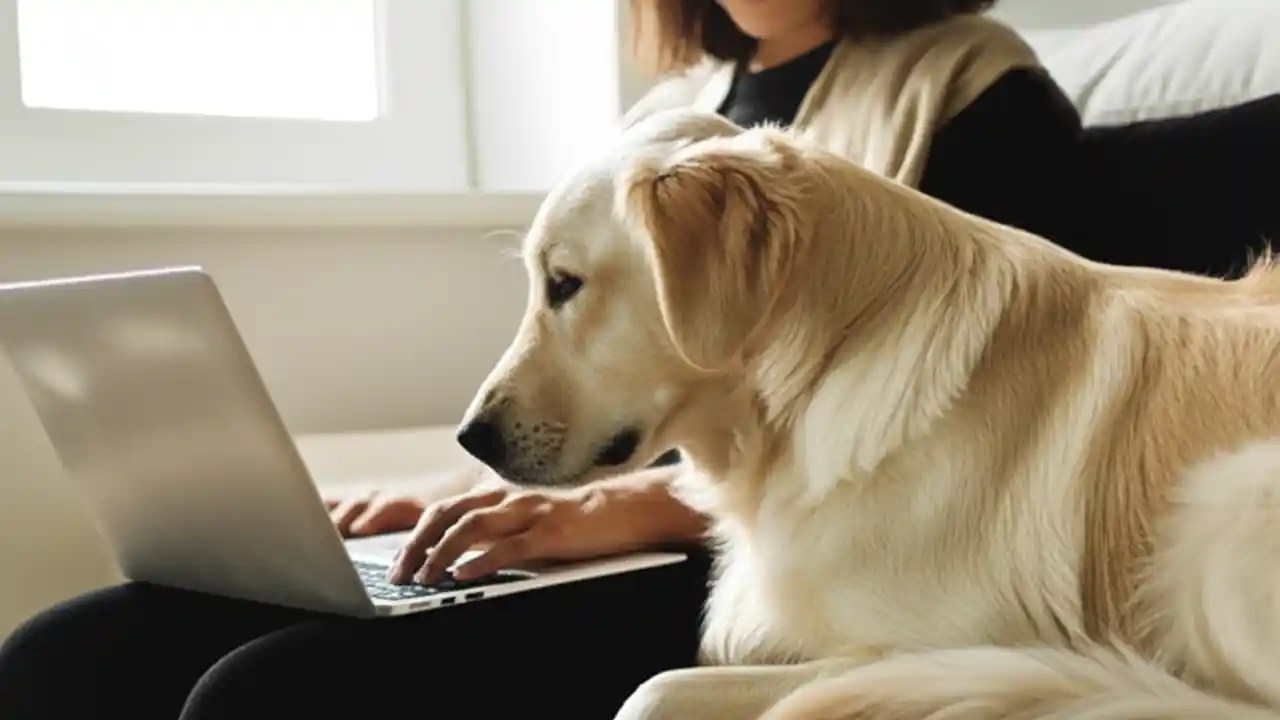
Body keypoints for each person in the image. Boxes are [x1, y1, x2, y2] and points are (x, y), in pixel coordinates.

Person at [0, 2, 1086, 718]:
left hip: (764, 565)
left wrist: (621, 508)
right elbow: (600, 371)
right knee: (66, 653)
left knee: (265, 694)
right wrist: (455, 491)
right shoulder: (663, 118)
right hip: (630, 517)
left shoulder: (970, 86)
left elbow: (978, 437)